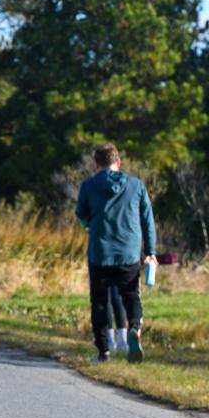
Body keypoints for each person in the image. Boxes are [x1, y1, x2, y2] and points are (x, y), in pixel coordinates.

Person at [76, 143, 157, 363]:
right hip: (128, 253)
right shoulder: (136, 185)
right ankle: (135, 328)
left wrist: (89, 225)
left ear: (96, 164)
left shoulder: (88, 186)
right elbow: (147, 220)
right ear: (118, 163)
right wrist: (150, 251)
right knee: (131, 296)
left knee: (100, 302)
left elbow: (81, 215)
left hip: (99, 253)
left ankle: (103, 351)